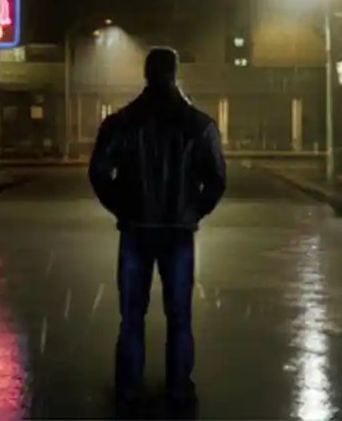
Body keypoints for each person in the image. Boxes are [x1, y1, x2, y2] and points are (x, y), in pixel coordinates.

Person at [88, 46, 227, 411]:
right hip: (178, 233)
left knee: (132, 316)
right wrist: (192, 210)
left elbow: (99, 173)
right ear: (175, 73)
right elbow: (215, 180)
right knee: (179, 316)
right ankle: (179, 390)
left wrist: (123, 205)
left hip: (135, 231)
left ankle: (129, 390)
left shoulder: (121, 122)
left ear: (146, 74)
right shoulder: (199, 125)